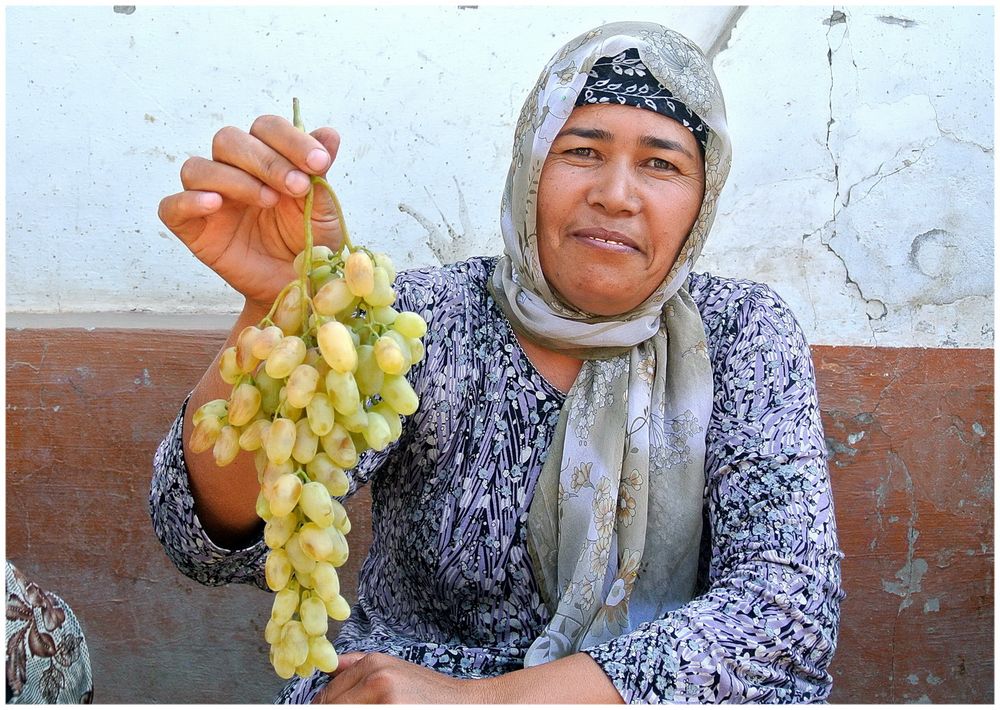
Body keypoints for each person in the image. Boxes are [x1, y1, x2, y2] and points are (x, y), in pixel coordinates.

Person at [151, 21, 844, 703]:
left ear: (703, 197)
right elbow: (206, 546)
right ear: (531, 166)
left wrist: (481, 701)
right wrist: (274, 310)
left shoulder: (740, 333)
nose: (615, 194)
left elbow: (786, 611)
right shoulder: (420, 320)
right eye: (582, 151)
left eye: (661, 164)